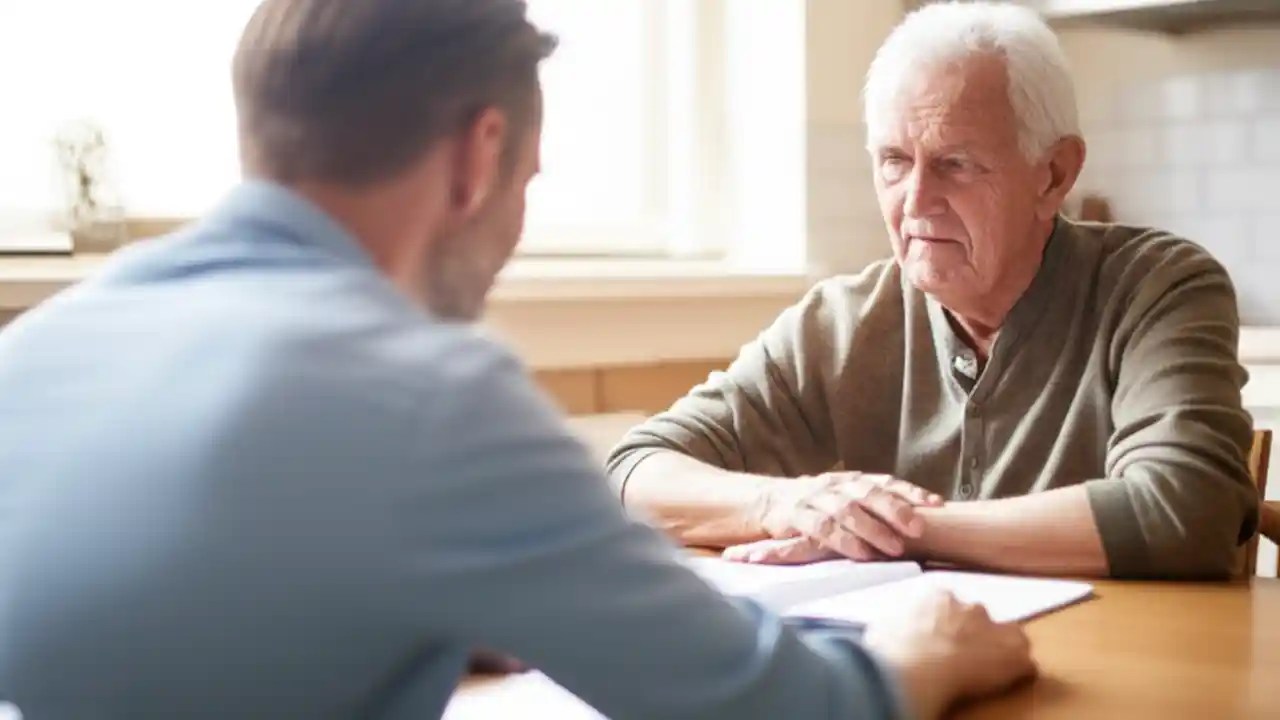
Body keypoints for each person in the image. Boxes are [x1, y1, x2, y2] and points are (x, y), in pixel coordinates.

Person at [0, 1, 1035, 718]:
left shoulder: (34, 355)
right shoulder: (429, 398)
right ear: (477, 152)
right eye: (528, 179)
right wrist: (911, 656)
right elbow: (776, 709)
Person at [607, 0, 1258, 580]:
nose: (915, 202)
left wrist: (893, 529)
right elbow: (634, 471)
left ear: (1053, 175)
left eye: (956, 164)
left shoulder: (1158, 287)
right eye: (893, 160)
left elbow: (1185, 509)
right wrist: (785, 504)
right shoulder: (841, 322)